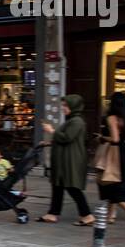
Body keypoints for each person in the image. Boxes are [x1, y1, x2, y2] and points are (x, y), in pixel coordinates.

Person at [38, 95, 92, 224]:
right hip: (64, 159)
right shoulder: (71, 120)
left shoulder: (77, 121)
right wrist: (49, 143)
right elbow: (64, 139)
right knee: (58, 185)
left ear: (73, 106)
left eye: (66, 106)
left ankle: (87, 215)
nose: (63, 108)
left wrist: (51, 130)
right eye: (63, 105)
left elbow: (67, 138)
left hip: (71, 159)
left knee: (72, 187)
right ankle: (52, 213)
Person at [97, 91, 125, 224]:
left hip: (114, 154)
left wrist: (102, 138)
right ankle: (111, 215)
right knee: (115, 182)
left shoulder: (111, 117)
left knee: (109, 183)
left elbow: (115, 138)